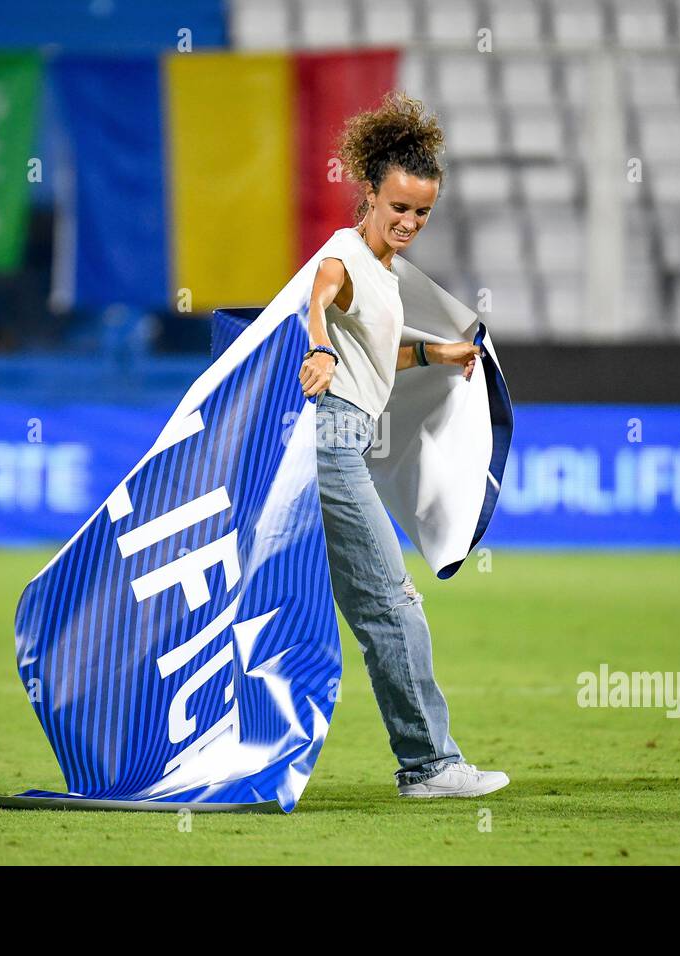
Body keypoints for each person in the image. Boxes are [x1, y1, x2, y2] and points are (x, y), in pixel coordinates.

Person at [297, 91, 510, 799]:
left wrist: (437, 358)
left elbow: (375, 362)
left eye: (422, 211)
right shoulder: (346, 254)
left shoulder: (383, 274)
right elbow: (316, 295)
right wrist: (319, 349)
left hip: (340, 439)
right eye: (399, 207)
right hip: (330, 442)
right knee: (391, 604)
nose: (411, 221)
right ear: (369, 192)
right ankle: (430, 767)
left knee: (350, 603)